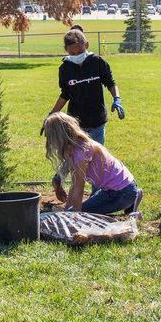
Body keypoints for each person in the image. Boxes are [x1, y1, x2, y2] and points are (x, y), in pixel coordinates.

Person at [45, 29, 123, 200]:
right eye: (72, 53)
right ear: (66, 51)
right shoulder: (65, 69)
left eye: (80, 51)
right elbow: (65, 94)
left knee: (96, 159)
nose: (76, 55)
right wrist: (52, 114)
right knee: (74, 155)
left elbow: (111, 83)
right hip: (75, 123)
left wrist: (116, 98)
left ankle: (96, 196)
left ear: (86, 45)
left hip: (97, 121)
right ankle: (59, 179)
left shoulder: (98, 63)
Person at [42, 113, 141, 215]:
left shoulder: (80, 153)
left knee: (83, 213)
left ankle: (132, 200)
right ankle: (133, 199)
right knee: (71, 212)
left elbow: (79, 190)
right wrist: (67, 212)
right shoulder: (75, 147)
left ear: (58, 136)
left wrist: (74, 217)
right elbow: (74, 184)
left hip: (121, 193)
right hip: (116, 189)